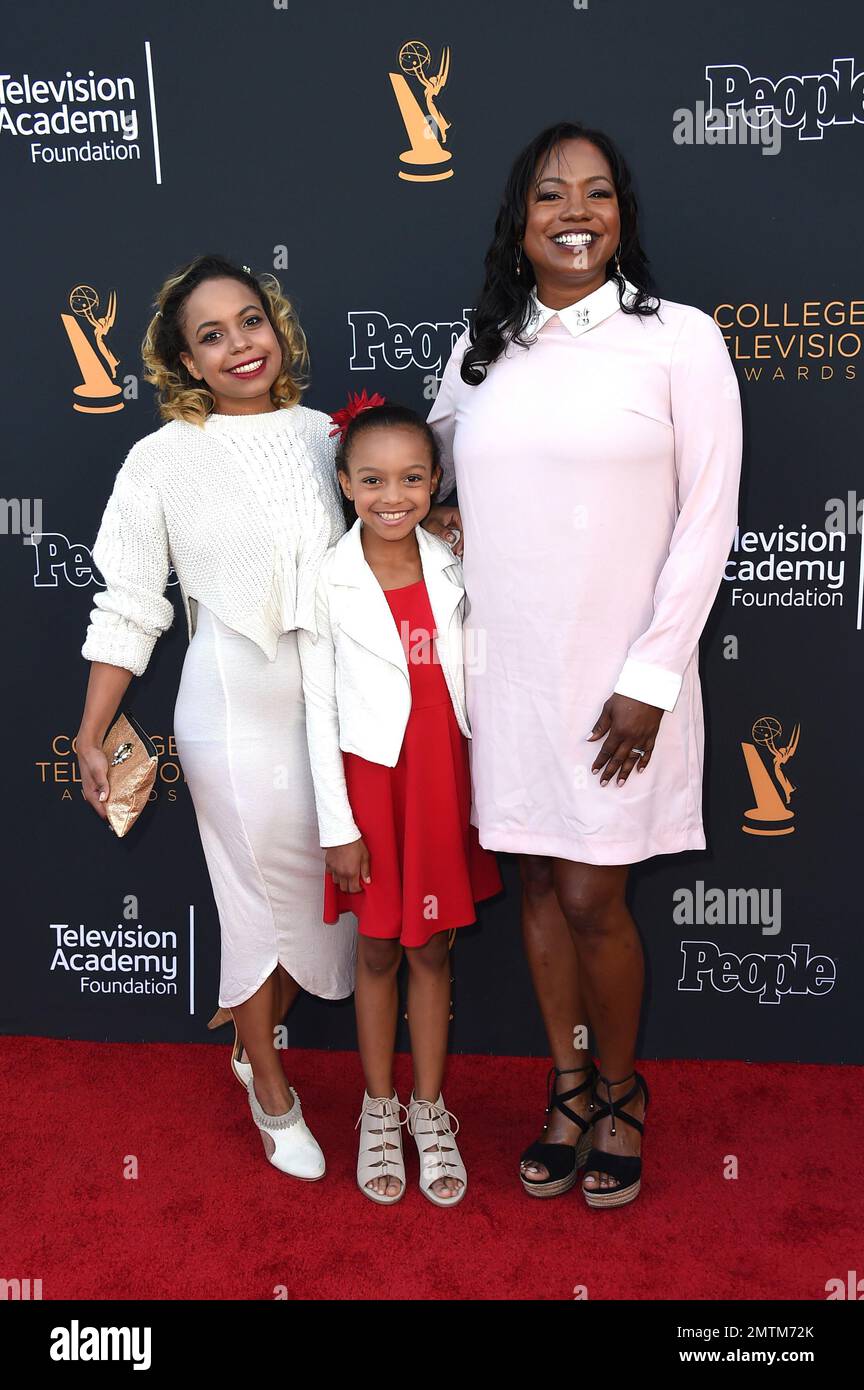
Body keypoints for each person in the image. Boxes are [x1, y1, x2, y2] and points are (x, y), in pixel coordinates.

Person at [75, 255, 458, 1183]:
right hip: (230, 709)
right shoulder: (159, 458)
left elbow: (388, 527)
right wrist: (93, 732)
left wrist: (440, 530)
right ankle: (271, 1090)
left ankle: (249, 1039)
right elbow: (130, 603)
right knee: (251, 904)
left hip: (336, 706)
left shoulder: (324, 436)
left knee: (328, 904)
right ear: (184, 361)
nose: (240, 344)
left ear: (275, 326)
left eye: (250, 320)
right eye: (212, 335)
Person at [426, 123, 742, 1208]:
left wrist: (652, 679)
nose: (576, 210)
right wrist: (447, 517)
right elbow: (428, 485)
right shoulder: (480, 352)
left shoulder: (679, 341)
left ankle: (621, 1090)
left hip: (623, 685)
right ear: (520, 218)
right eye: (553, 193)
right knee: (537, 889)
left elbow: (709, 521)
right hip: (504, 676)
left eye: (598, 193)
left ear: (622, 217)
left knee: (595, 893)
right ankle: (567, 1087)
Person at [298, 398, 501, 1206]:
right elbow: (319, 711)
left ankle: (429, 1108)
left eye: (412, 478)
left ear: (435, 483)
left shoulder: (458, 561)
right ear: (346, 484)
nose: (393, 494)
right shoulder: (327, 577)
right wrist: (338, 826)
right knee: (378, 950)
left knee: (432, 951)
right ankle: (377, 1108)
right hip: (370, 789)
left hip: (443, 780)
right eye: (374, 478)